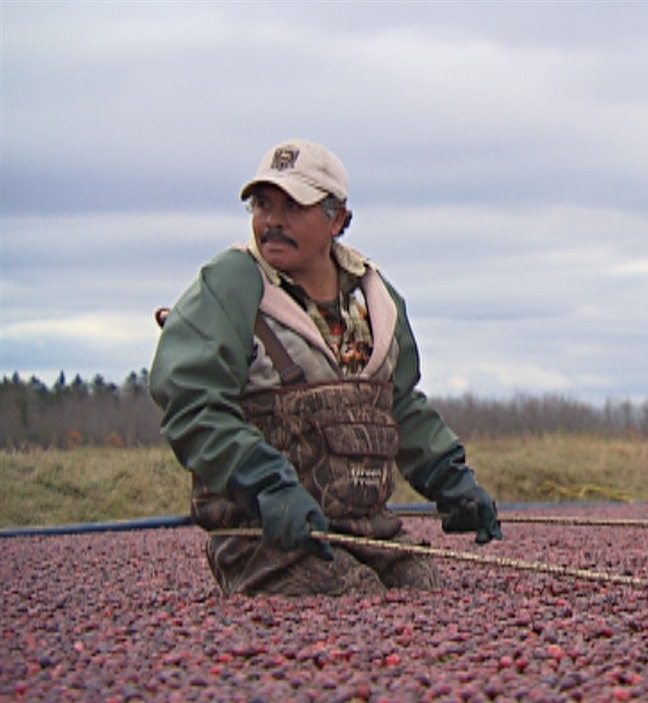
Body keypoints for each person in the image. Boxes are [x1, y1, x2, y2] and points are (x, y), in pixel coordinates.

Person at [150, 139, 502, 596]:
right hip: (267, 536)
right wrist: (266, 485)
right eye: (263, 205)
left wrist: (453, 481)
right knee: (351, 602)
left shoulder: (376, 299)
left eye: (293, 206)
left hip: (367, 529)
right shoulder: (229, 286)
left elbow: (399, 406)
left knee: (424, 589)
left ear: (338, 220)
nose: (273, 221)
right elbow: (192, 404)